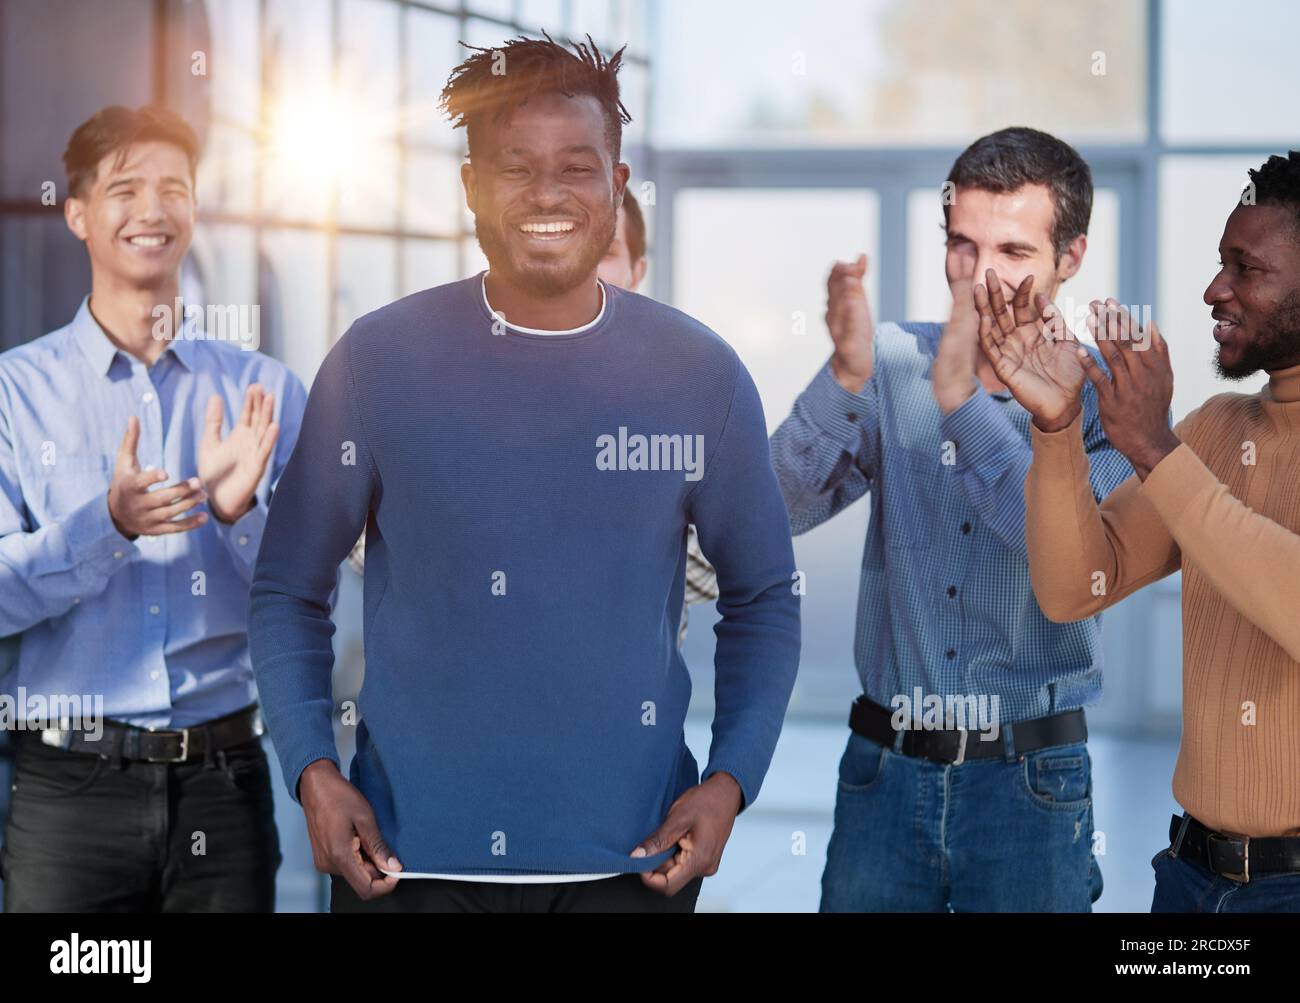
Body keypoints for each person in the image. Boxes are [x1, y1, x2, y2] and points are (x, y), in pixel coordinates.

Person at [249, 34, 800, 914]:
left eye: (577, 167)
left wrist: (732, 779)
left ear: (618, 187)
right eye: (515, 167)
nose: (547, 193)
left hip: (631, 869)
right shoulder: (375, 362)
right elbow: (287, 587)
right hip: (406, 869)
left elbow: (766, 594)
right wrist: (313, 770)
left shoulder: (702, 375)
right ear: (471, 187)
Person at [771, 127, 1133, 912]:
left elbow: (1048, 547)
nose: (980, 278)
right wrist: (841, 377)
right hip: (882, 776)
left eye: (1013, 252)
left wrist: (960, 402)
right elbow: (779, 512)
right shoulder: (889, 359)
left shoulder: (1115, 403)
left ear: (1070, 257)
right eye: (962, 246)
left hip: (1029, 787)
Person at [0, 105, 306, 912]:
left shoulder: (264, 392)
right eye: (125, 188)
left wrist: (240, 515)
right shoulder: (12, 394)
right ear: (76, 215)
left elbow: (311, 599)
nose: (153, 209)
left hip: (224, 786)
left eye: (175, 187)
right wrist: (109, 525)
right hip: (69, 794)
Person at [985, 151, 1300, 912]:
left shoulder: (1180, 448)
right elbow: (1073, 589)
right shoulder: (1218, 429)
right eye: (1219, 263)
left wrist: (1157, 449)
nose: (1213, 290)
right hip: (1190, 878)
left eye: (1244, 268)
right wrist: (1057, 427)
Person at [346, 188, 721, 648]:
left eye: (602, 253)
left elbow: (724, 562)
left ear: (636, 273)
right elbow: (370, 550)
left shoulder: (685, 404)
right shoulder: (433, 386)